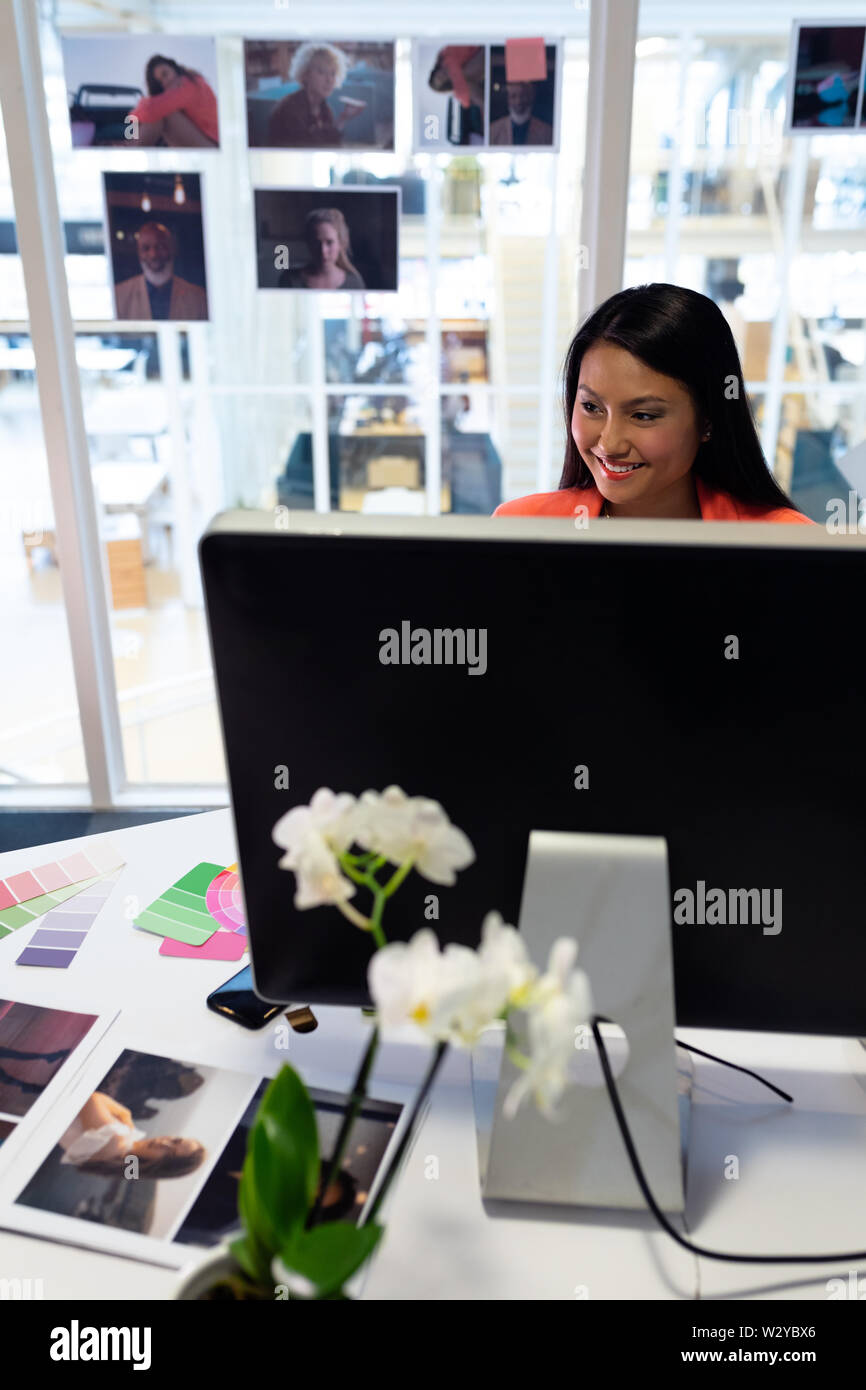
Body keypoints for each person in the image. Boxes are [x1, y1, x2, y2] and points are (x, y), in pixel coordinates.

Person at [494, 283, 813, 522]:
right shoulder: (521, 526)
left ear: (708, 420)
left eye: (643, 415)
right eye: (592, 407)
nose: (610, 443)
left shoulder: (789, 546)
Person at [58, 1091, 205, 1179]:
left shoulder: (117, 1141)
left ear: (162, 1165)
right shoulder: (119, 1160)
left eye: (170, 1153)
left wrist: (125, 1114)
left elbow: (91, 1098)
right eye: (175, 1141)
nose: (164, 1143)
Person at [266, 43, 364, 148]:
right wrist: (341, 120)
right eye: (321, 72)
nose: (329, 80)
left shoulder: (326, 109)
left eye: (333, 73)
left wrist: (343, 118)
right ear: (305, 74)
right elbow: (308, 147)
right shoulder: (289, 109)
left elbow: (330, 144)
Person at [113, 221, 208, 320]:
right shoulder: (118, 297)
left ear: (172, 249)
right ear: (139, 253)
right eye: (146, 248)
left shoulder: (198, 298)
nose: (153, 255)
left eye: (160, 246)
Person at [126, 54, 218, 147]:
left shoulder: (187, 84)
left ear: (174, 68)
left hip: (212, 145)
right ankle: (132, 146)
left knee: (162, 112)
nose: (165, 82)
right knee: (159, 111)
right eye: (160, 83)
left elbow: (150, 109)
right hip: (204, 141)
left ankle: (132, 149)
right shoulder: (187, 85)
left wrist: (135, 113)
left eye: (165, 74)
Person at [280, 208, 365, 290]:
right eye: (316, 242)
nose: (323, 251)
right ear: (309, 243)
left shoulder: (354, 283)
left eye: (329, 242)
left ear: (341, 243)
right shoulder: (289, 280)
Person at [489, 80, 553, 146]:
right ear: (508, 99)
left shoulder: (546, 132)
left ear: (530, 97)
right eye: (513, 96)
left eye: (523, 95)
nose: (518, 101)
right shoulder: (494, 130)